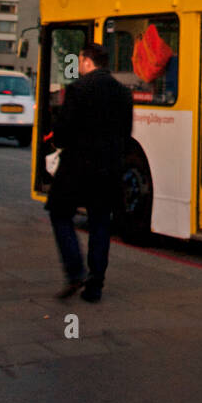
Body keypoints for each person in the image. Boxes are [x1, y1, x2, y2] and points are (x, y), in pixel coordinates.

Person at [46, 42, 133, 303]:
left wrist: (56, 139)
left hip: (77, 167)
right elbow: (126, 134)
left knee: (60, 214)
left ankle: (75, 271)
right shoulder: (122, 92)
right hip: (108, 169)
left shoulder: (78, 89)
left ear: (86, 61)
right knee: (100, 223)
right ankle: (95, 286)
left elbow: (62, 133)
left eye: (80, 61)